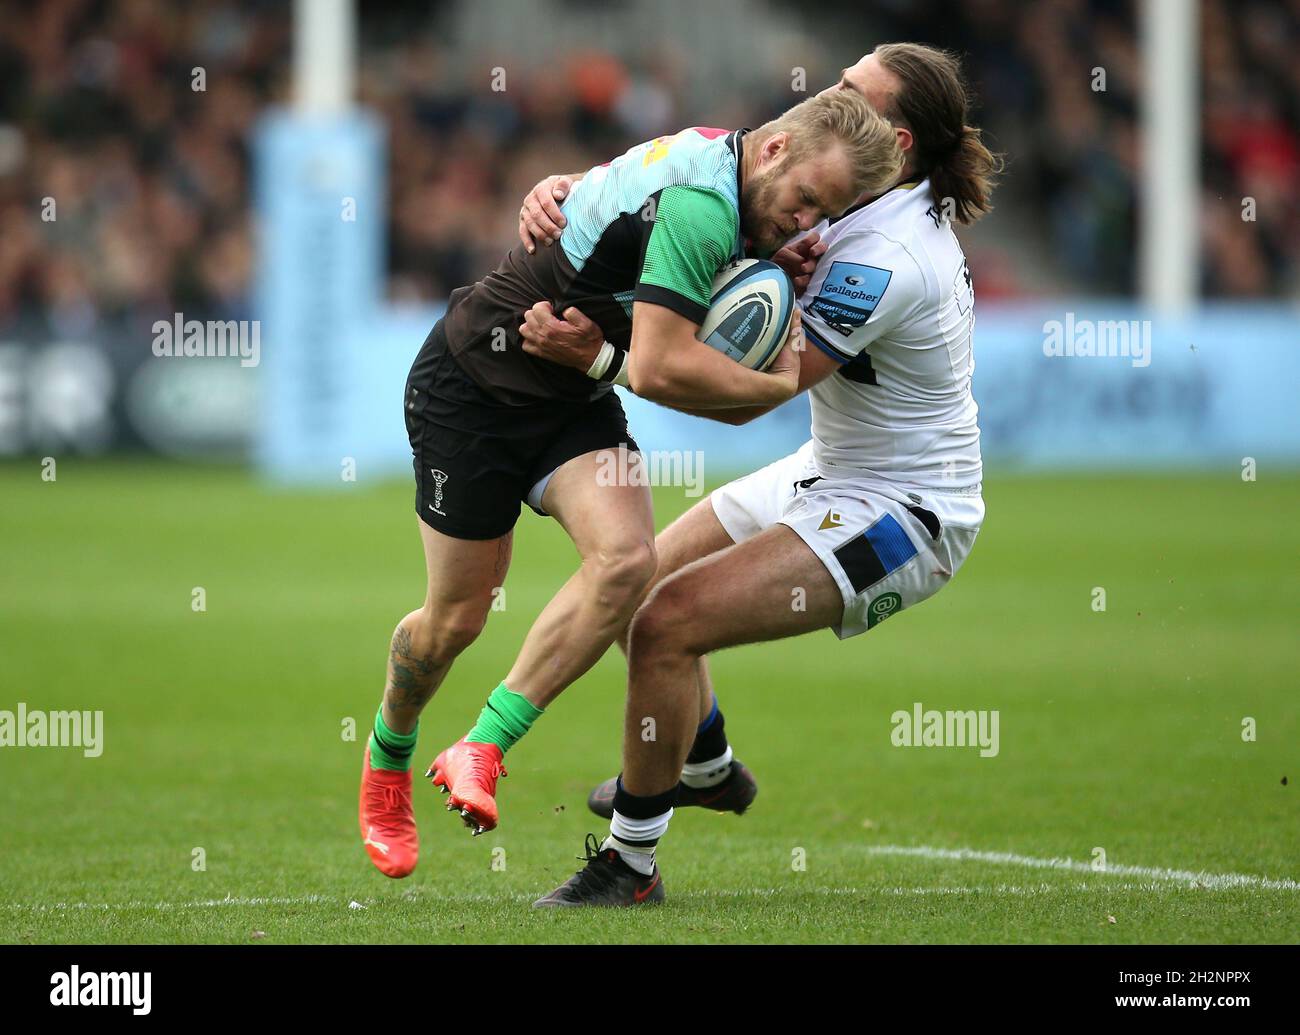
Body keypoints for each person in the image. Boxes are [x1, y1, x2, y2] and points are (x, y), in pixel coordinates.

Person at [359, 89, 905, 879]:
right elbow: (658, 368)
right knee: (453, 621)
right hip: (473, 390)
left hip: (568, 398)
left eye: (826, 214)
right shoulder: (703, 206)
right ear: (778, 151)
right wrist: (779, 386)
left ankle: (481, 745)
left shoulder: (730, 161)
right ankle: (388, 758)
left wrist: (755, 255)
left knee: (627, 562)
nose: (807, 222)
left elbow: (621, 199)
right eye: (807, 202)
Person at [516, 43, 1004, 907]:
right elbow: (689, 178)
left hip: (905, 510)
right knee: (636, 585)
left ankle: (630, 865)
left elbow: (747, 397)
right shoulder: (839, 186)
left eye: (852, 88)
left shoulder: (886, 254)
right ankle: (703, 765)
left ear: (893, 140)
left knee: (665, 622)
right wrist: (575, 197)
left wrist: (603, 358)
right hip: (829, 468)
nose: (829, 92)